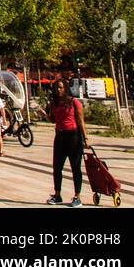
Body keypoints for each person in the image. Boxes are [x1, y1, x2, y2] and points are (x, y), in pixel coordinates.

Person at [46, 77, 87, 207]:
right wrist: (44, 115)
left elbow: (81, 121)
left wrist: (85, 138)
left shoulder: (74, 102)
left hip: (73, 137)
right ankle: (57, 195)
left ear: (66, 88)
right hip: (60, 136)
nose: (59, 90)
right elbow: (53, 120)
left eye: (61, 87)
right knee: (57, 167)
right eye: (57, 88)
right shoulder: (54, 104)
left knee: (76, 168)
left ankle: (77, 196)